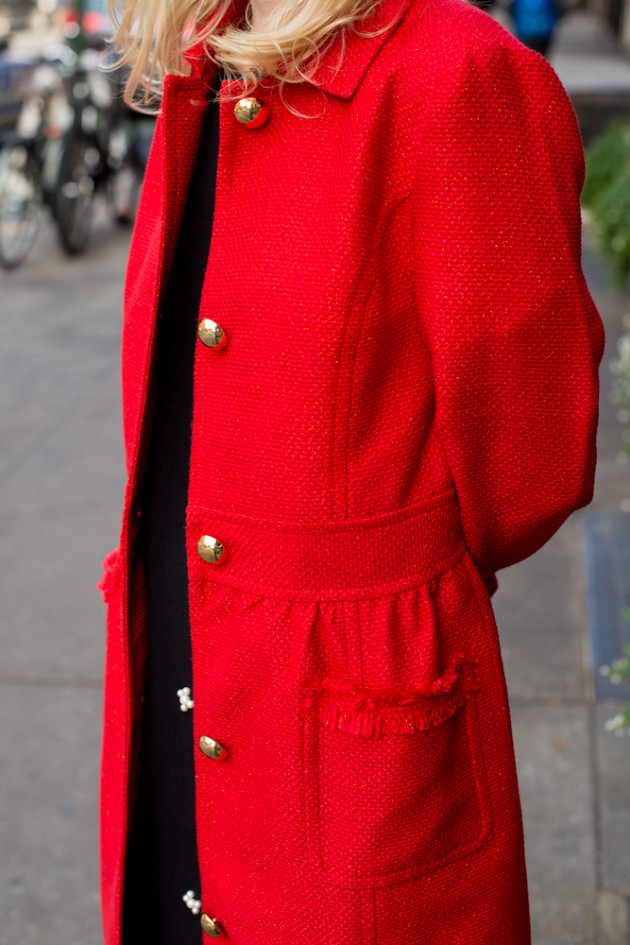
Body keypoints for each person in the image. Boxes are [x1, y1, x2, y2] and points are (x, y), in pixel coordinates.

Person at [96, 0, 605, 942]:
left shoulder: (456, 73)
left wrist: (374, 575)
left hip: (350, 748)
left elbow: (529, 462)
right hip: (181, 657)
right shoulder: (206, 48)